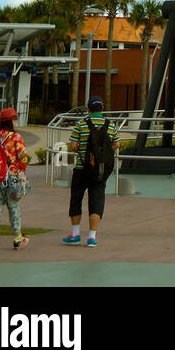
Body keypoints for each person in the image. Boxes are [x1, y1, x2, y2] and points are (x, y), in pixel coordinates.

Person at [62, 96, 120, 247]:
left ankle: (75, 234)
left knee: (76, 198)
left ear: (88, 109)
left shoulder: (81, 124)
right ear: (102, 108)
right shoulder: (110, 125)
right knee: (97, 200)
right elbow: (117, 144)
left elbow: (73, 145)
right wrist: (102, 154)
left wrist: (84, 153)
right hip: (100, 170)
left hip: (82, 168)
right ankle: (92, 237)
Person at [0, 107, 30, 255]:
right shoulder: (16, 137)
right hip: (11, 177)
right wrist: (21, 169)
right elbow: (23, 157)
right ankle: (18, 239)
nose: (16, 120)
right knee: (14, 208)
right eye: (15, 118)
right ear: (11, 120)